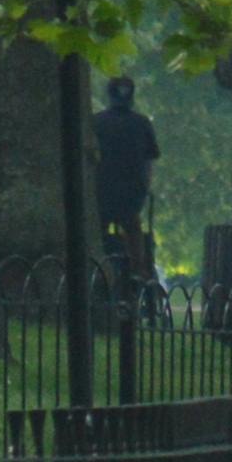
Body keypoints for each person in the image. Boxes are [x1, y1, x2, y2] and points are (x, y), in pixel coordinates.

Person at [88, 75, 161, 303]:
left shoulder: (95, 122)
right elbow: (149, 161)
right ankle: (139, 270)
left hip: (101, 194)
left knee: (98, 229)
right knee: (133, 228)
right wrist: (143, 187)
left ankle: (96, 265)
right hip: (131, 197)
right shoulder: (141, 124)